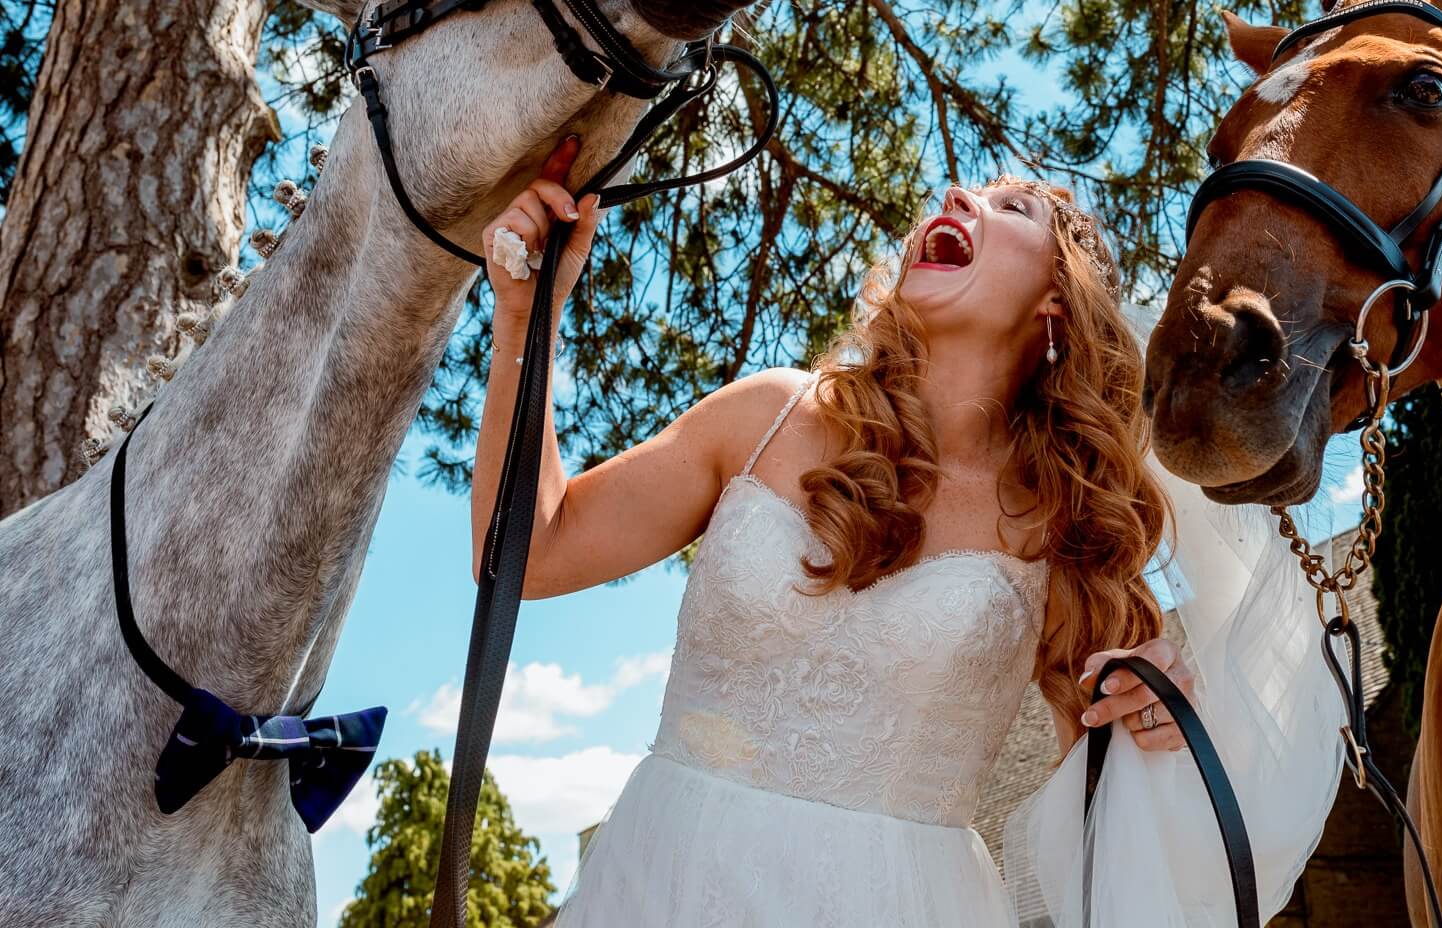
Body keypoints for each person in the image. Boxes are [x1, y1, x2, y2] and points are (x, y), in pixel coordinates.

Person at [470, 137, 1199, 926]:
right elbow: (530, 555)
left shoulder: (1063, 527)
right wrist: (524, 320)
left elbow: (1106, 813)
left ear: (1057, 300)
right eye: (963, 193)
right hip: (659, 885)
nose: (957, 196)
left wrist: (1151, 715)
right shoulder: (767, 416)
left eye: (1012, 207)